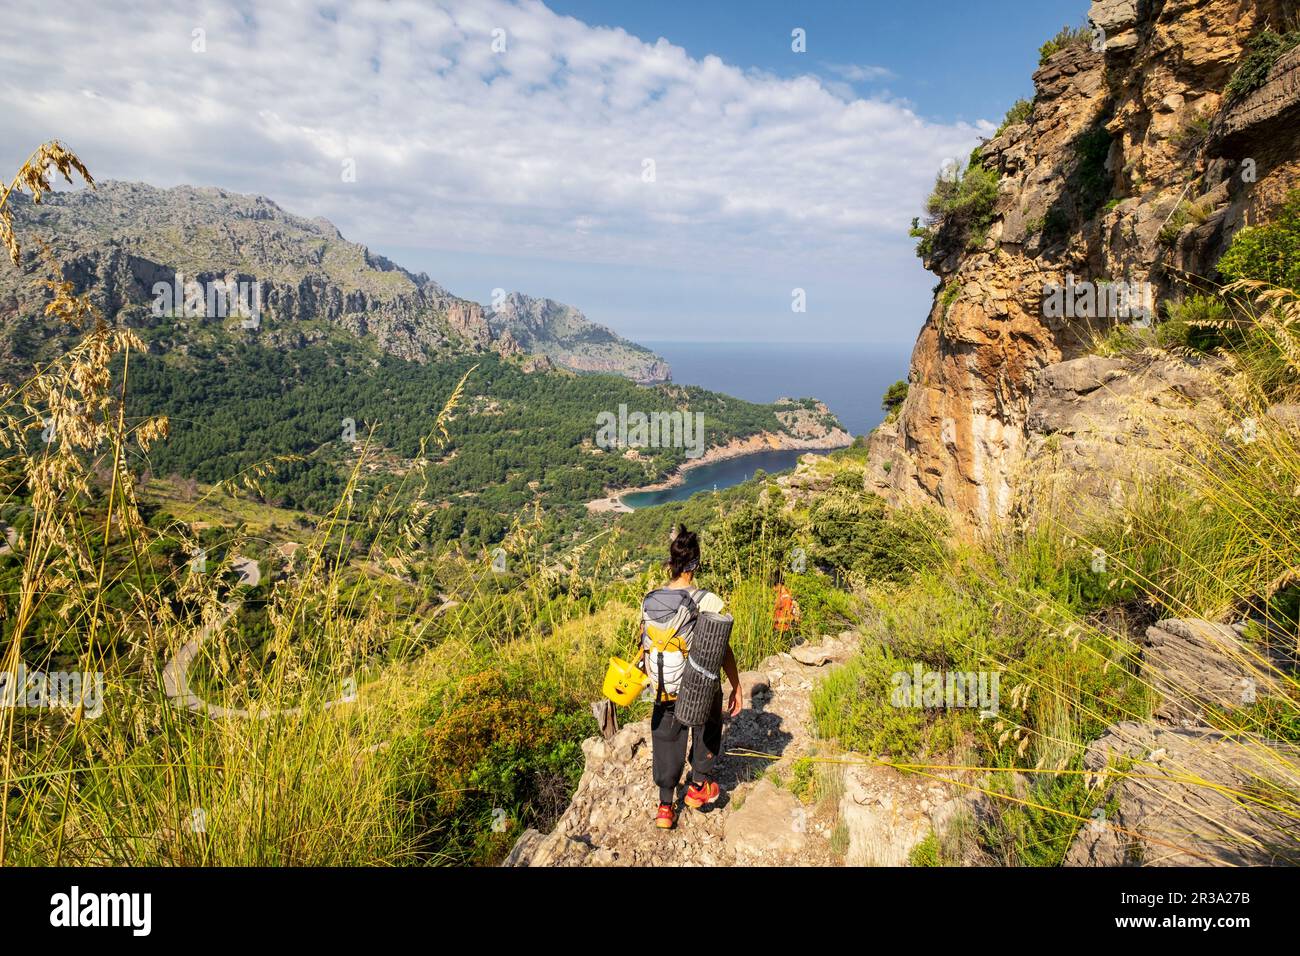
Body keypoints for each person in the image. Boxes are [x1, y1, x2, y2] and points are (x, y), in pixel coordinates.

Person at [638, 525, 742, 830]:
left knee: (665, 735)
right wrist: (736, 684)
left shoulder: (650, 600)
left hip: (663, 685)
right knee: (710, 712)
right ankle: (698, 786)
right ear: (695, 565)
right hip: (695, 689)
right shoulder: (708, 600)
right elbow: (722, 651)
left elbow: (644, 644)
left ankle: (665, 807)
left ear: (671, 565)